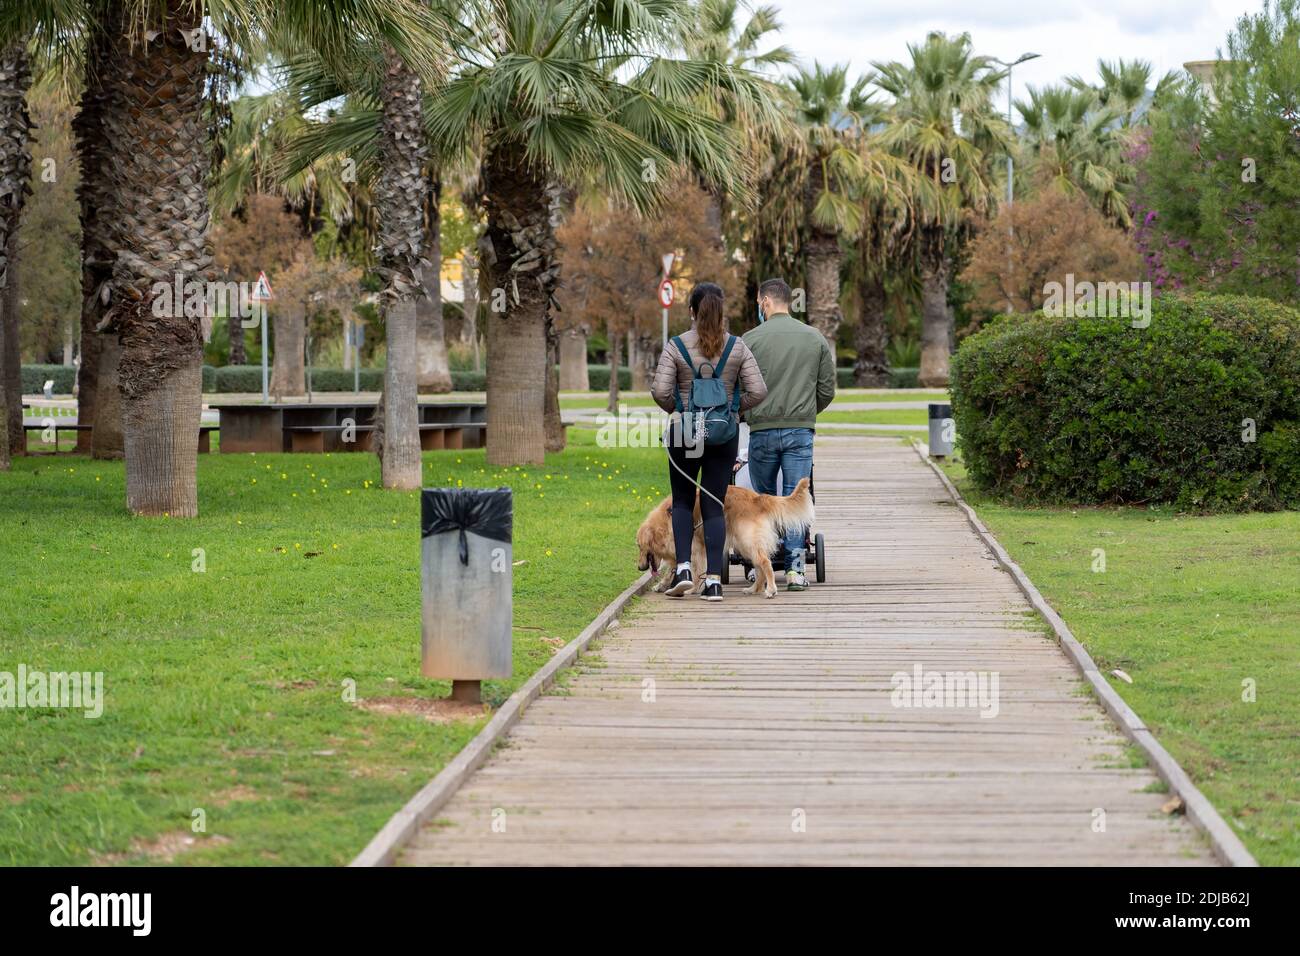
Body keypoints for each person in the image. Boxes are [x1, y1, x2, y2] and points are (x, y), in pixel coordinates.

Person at [651, 282, 767, 601]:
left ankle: (685, 568)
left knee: (683, 503)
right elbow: (758, 390)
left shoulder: (676, 346)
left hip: (686, 434)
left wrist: (681, 410)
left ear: (692, 311)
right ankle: (714, 581)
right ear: (721, 312)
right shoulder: (737, 347)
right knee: (714, 504)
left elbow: (660, 391)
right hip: (723, 435)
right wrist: (731, 411)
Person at [741, 277, 836, 590]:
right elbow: (826, 389)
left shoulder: (750, 340)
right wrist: (806, 412)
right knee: (796, 498)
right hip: (800, 430)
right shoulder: (814, 338)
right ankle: (796, 568)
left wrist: (748, 413)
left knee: (764, 500)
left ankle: (763, 562)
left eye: (759, 303)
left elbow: (739, 387)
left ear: (766, 302)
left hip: (762, 431)